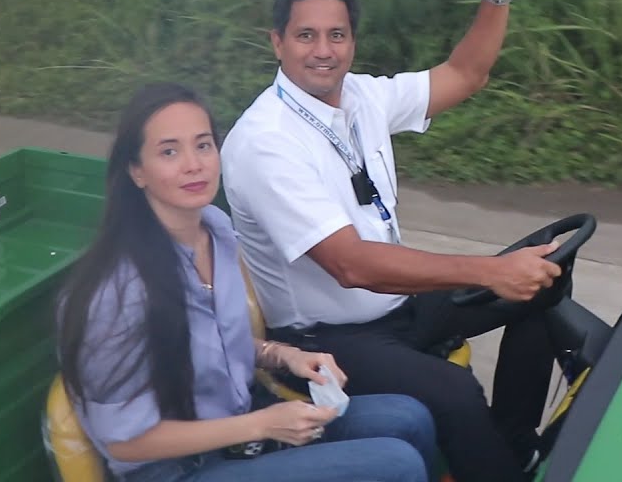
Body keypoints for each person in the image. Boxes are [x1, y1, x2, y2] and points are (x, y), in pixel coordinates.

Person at [220, 0, 564, 482]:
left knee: (547, 282)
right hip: (328, 338)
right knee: (452, 390)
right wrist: (489, 270)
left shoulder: (362, 97)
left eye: (337, 35)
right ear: (277, 42)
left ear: (352, 40)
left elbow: (466, 72)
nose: (324, 51)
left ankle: (509, 446)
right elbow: (351, 265)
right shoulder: (265, 143)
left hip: (398, 308)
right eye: (306, 35)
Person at [55, 82, 439, 482]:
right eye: (169, 151)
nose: (193, 164)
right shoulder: (116, 293)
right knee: (398, 464)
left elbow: (208, 339)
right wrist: (262, 426)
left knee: (409, 417)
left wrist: (283, 355)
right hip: (179, 469)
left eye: (203, 145)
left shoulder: (216, 231)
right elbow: (124, 443)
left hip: (238, 428)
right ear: (136, 171)